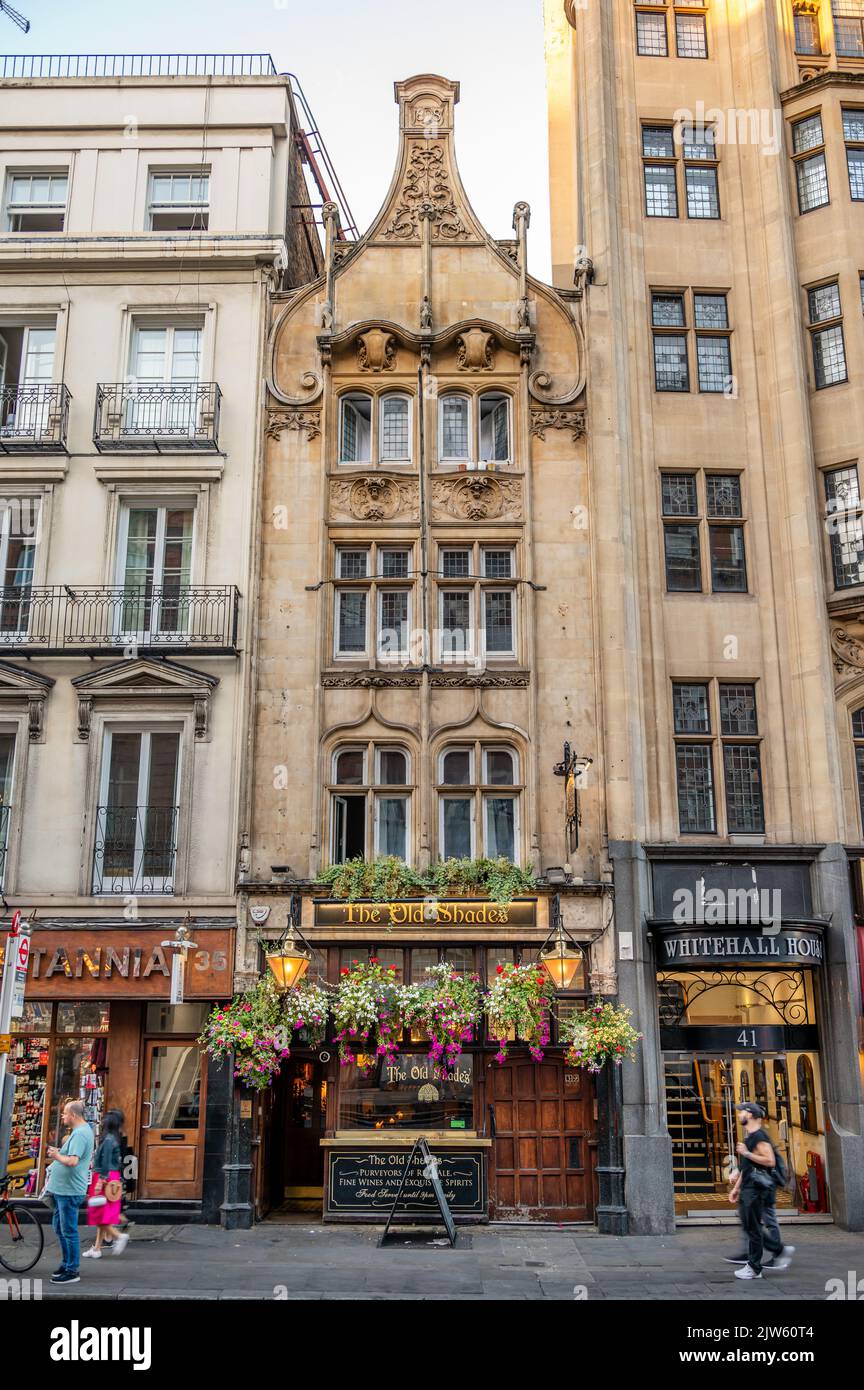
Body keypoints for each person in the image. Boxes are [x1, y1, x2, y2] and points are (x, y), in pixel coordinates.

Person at [727, 1102, 790, 1280]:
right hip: (748, 1188)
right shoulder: (750, 1137)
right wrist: (736, 1188)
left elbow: (769, 1161)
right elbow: (748, 1167)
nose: (739, 1115)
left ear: (751, 1115)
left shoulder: (760, 1137)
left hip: (756, 1190)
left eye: (743, 1112)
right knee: (750, 1226)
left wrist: (747, 1153)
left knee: (753, 1228)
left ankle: (755, 1267)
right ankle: (778, 1249)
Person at [45, 1099, 95, 1285]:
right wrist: (60, 1152)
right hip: (64, 1189)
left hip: (69, 1190)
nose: (63, 1116)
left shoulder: (80, 1134)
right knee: (60, 1228)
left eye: (65, 1113)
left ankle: (72, 1269)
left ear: (73, 1115)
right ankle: (67, 1264)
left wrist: (56, 1155)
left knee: (68, 1230)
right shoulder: (81, 1132)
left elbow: (73, 1161)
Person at [82, 1110, 129, 1259]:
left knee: (98, 1214)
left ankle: (118, 1236)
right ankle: (96, 1248)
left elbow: (106, 1162)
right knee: (102, 1213)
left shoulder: (108, 1140)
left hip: (104, 1178)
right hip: (111, 1178)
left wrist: (100, 1181)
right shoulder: (115, 1138)